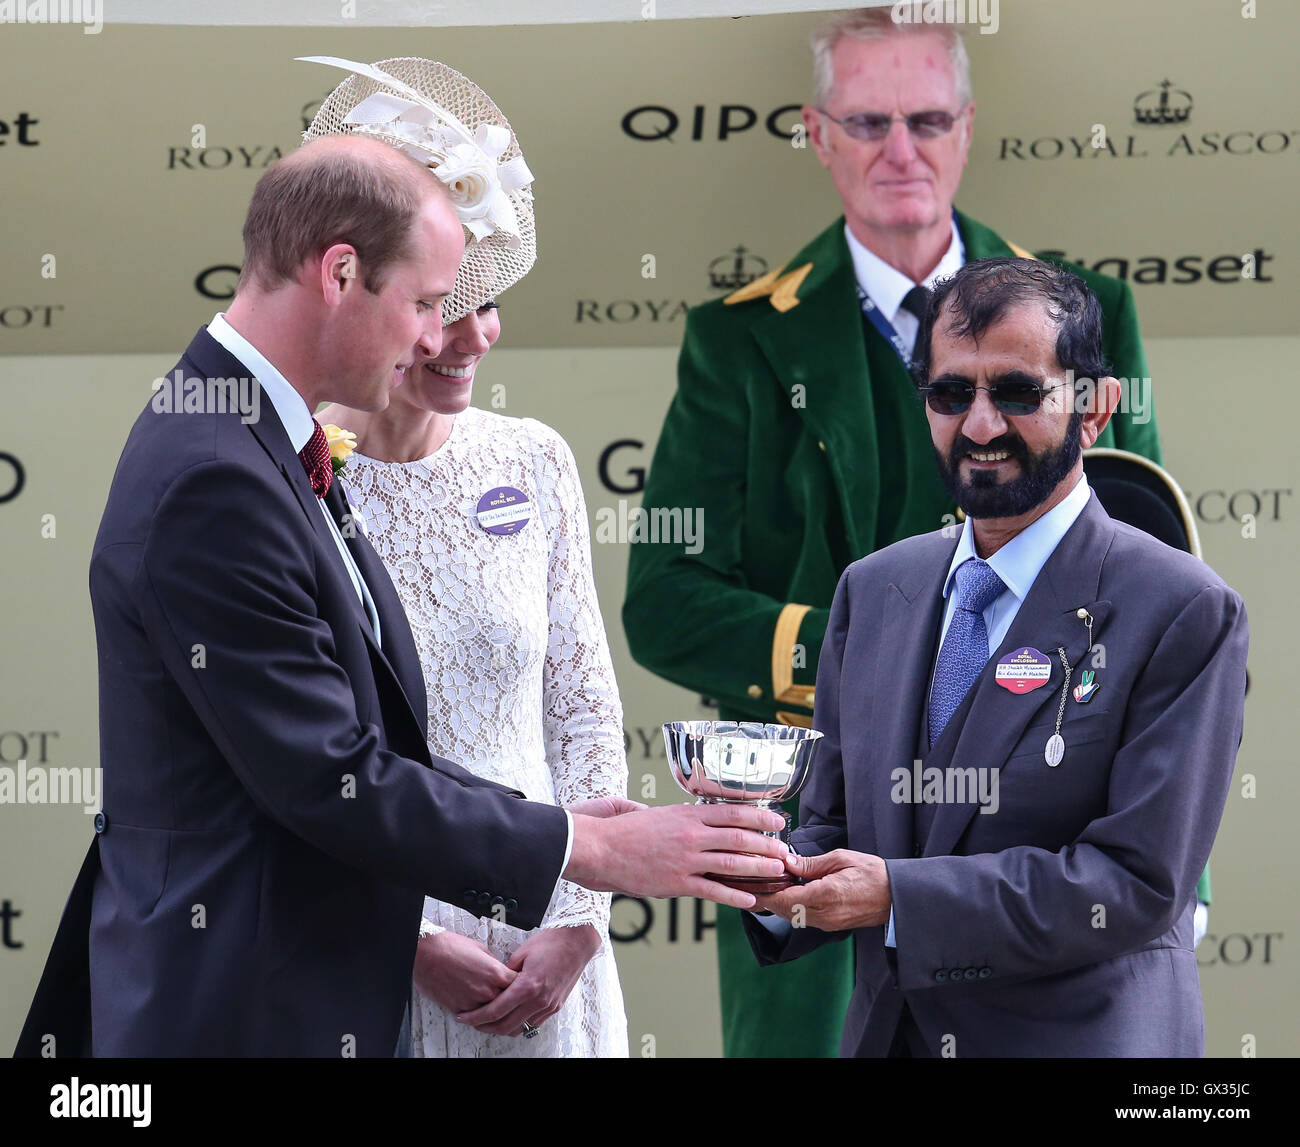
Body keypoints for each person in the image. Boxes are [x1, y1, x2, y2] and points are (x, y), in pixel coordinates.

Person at [15, 131, 790, 1059]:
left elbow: (369, 738)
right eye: (427, 303)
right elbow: (328, 774)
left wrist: (569, 829)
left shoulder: (254, 435)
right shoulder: (218, 473)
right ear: (340, 273)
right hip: (241, 1006)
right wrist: (593, 852)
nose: (440, 336)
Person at [621, 7, 1191, 1059]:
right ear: (817, 131)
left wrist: (1174, 866)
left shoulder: (1091, 309)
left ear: (967, 127)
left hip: (1043, 849)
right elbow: (664, 601)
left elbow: (1146, 583)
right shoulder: (738, 338)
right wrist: (867, 666)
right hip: (812, 846)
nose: (900, 150)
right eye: (869, 120)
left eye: (926, 119)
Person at [744, 257, 1247, 1057]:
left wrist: (897, 896)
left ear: (1095, 408)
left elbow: (1136, 883)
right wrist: (763, 872)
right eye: (952, 394)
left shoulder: (1183, 608)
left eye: (1016, 392)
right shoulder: (872, 591)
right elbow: (834, 825)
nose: (980, 425)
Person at [311, 57, 627, 1057]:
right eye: (446, 306)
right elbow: (295, 763)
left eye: (488, 303)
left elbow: (581, 708)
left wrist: (577, 918)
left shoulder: (531, 460)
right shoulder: (291, 474)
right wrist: (405, 937)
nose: (473, 337)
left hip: (546, 945)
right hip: (363, 951)